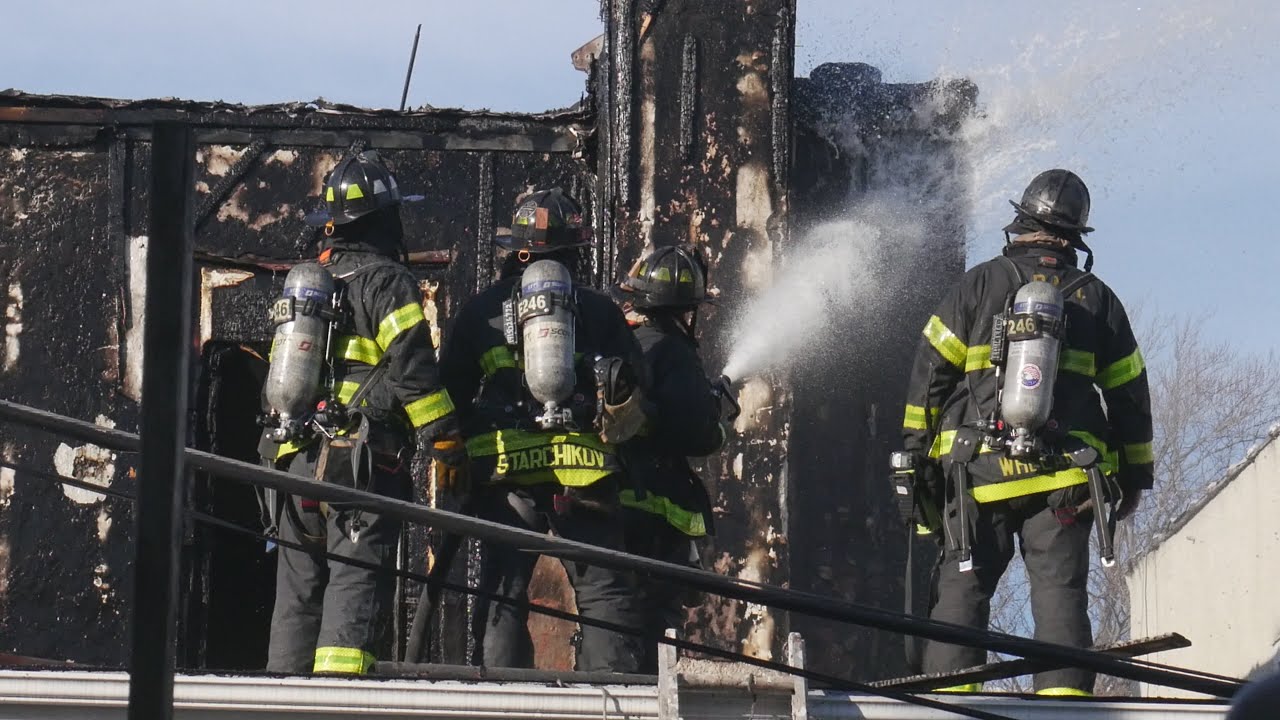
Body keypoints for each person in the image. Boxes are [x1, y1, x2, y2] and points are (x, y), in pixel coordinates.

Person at [899, 169, 1154, 695]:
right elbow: (1130, 396)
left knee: (961, 592)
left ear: (1020, 224)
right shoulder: (1098, 300)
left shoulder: (978, 284)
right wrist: (1135, 478)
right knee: (1060, 596)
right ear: (1076, 237)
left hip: (977, 477)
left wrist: (916, 455)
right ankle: (1064, 705)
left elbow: (929, 375)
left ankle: (949, 702)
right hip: (1064, 482)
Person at [263, 151, 462, 675]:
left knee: (296, 595)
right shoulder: (386, 282)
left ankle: (279, 704)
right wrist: (444, 441)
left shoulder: (307, 287)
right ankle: (336, 704)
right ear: (384, 219)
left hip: (290, 463)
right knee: (354, 585)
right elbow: (414, 371)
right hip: (357, 468)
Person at [438, 187, 648, 672]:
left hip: (506, 476)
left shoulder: (479, 313)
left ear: (514, 249)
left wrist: (460, 449)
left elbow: (448, 393)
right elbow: (637, 400)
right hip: (586, 478)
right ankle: (606, 702)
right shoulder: (600, 313)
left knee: (502, 593)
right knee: (604, 596)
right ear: (576, 251)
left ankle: (499, 701)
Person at [611, 244, 732, 673]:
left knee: (611, 617)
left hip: (609, 503)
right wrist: (720, 420)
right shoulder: (673, 350)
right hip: (654, 511)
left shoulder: (621, 338)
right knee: (657, 623)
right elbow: (696, 433)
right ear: (686, 307)